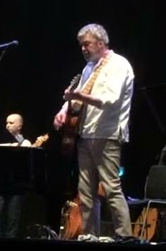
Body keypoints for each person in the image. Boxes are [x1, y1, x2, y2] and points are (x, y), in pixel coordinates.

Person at [52, 23, 134, 239]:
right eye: (81, 45)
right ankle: (90, 235)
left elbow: (110, 100)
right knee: (86, 191)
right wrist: (63, 112)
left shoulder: (119, 65)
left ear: (100, 43)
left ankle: (125, 236)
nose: (83, 49)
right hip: (86, 134)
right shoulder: (88, 68)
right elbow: (76, 96)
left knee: (110, 188)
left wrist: (77, 97)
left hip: (107, 134)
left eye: (86, 44)